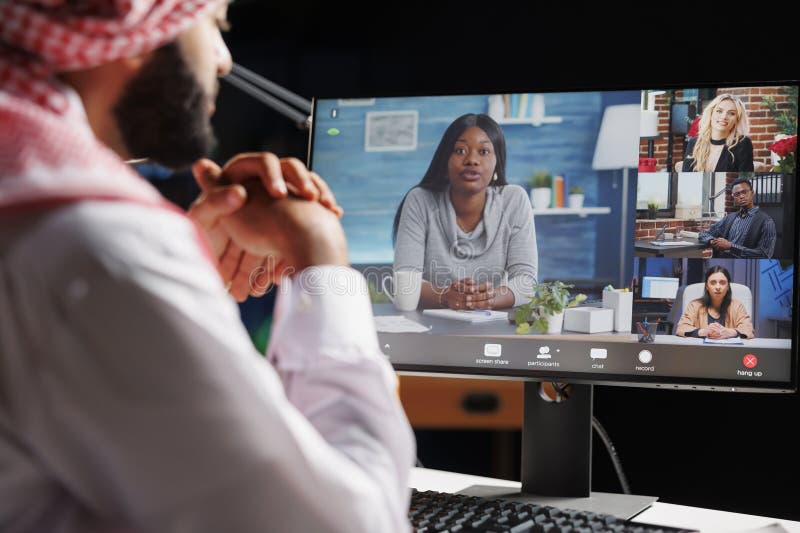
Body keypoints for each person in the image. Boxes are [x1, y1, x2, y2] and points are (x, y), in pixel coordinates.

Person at [0, 2, 414, 532]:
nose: (221, 60)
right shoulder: (92, 251)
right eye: (214, 25)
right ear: (134, 26)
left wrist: (187, 280)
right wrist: (320, 256)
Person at [391, 113, 537, 310]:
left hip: (492, 326)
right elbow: (405, 284)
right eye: (460, 150)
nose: (472, 160)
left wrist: (489, 298)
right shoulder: (420, 200)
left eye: (484, 152)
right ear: (445, 161)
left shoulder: (514, 200)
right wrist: (446, 296)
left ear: (497, 163)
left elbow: (526, 282)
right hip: (429, 328)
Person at [698, 177, 776, 258]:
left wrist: (731, 247)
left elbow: (765, 255)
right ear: (733, 197)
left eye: (744, 192)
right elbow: (703, 234)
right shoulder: (729, 218)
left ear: (752, 193)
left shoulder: (766, 221)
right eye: (737, 194)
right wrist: (712, 241)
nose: (741, 196)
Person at [676, 266, 754, 339]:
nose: (718, 287)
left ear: (728, 287)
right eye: (713, 283)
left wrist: (731, 332)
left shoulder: (737, 306)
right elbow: (681, 328)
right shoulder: (694, 305)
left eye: (722, 283)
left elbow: (748, 329)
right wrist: (703, 332)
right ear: (707, 286)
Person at [682, 93, 754, 172]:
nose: (724, 117)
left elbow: (746, 178)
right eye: (719, 111)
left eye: (731, 113)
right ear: (711, 113)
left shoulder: (743, 144)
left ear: (737, 119)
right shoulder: (694, 142)